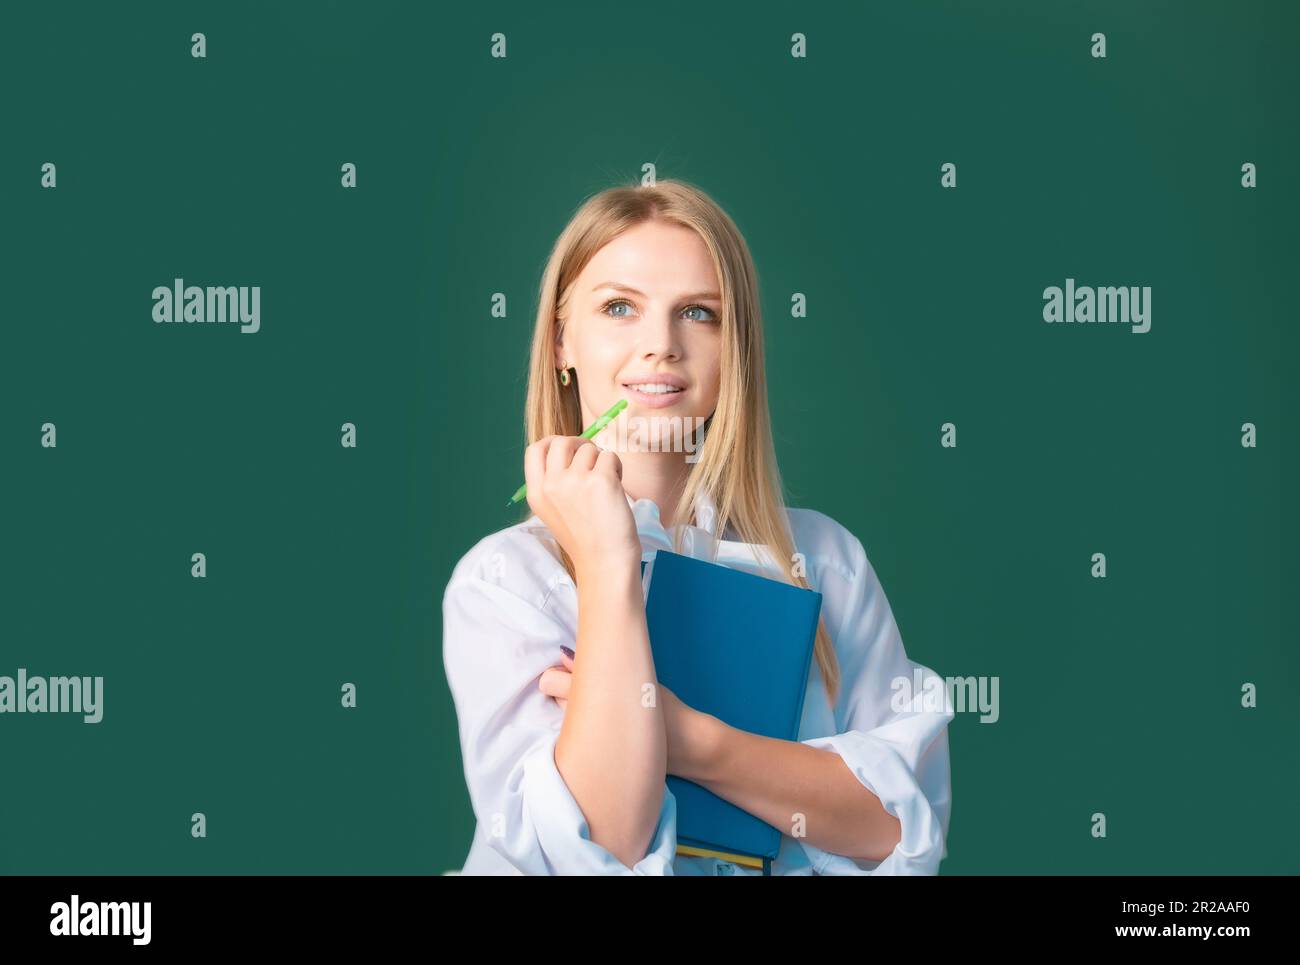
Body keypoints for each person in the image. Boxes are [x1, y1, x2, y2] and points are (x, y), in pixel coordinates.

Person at [442, 179, 953, 875]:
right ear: (562, 341)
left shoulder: (827, 559)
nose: (660, 345)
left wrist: (690, 740)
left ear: (735, 342)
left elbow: (900, 828)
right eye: (620, 307)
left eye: (700, 313)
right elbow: (600, 846)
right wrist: (606, 564)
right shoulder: (504, 581)